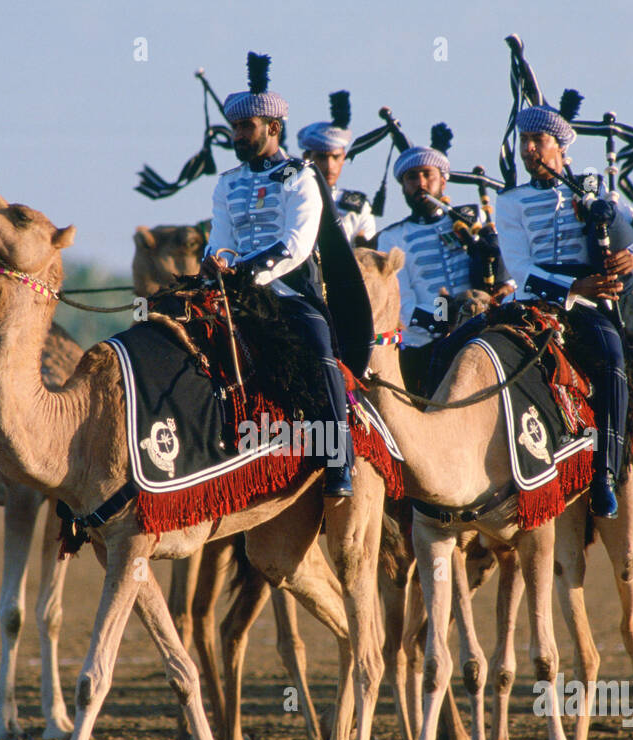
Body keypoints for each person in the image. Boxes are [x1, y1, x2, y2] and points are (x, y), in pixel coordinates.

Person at [496, 95, 633, 517]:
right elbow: (519, 267)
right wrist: (575, 285)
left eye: (538, 140)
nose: (529, 149)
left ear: (561, 147)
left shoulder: (596, 190)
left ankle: (605, 474)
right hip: (534, 301)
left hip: (589, 308)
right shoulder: (510, 201)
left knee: (612, 363)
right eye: (524, 140)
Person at [201, 54, 358, 496]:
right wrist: (214, 262)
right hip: (233, 292)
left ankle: (337, 459)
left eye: (245, 128)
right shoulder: (227, 182)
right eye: (234, 129)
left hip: (289, 293)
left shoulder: (301, 175)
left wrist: (247, 273)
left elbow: (295, 245)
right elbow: (221, 237)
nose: (237, 137)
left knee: (318, 346)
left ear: (272, 128)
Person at [376, 125, 509, 395]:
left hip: (480, 323)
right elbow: (404, 302)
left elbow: (501, 276)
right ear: (403, 186)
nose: (421, 183)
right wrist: (446, 317)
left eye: (428, 175)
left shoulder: (469, 221)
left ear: (443, 181)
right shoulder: (393, 237)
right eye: (412, 177)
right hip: (425, 342)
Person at [297, 91, 377, 247]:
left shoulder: (357, 206)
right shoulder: (293, 195)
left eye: (335, 157)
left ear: (343, 158)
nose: (329, 166)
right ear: (307, 158)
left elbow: (367, 254)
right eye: (321, 157)